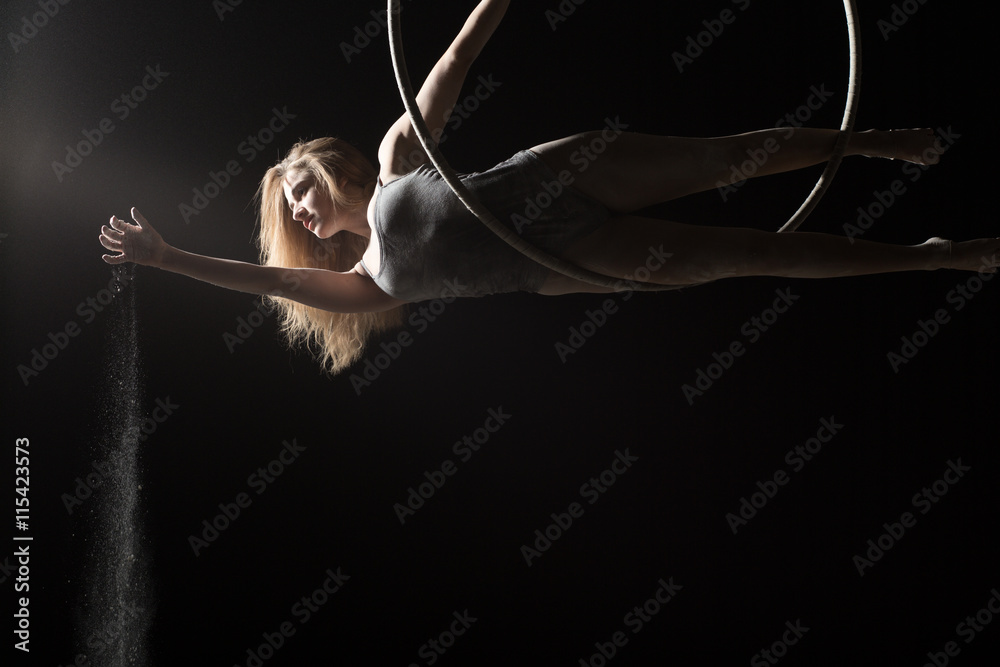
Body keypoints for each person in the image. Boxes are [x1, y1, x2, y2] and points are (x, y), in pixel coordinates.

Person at [99, 0, 999, 374]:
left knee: (735, 154)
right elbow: (277, 284)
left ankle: (872, 140)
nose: (299, 211)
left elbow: (452, 59)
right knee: (756, 258)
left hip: (556, 174)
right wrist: (172, 259)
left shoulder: (394, 164)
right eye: (292, 212)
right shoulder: (366, 282)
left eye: (298, 188)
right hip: (564, 261)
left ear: (329, 170)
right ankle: (932, 258)